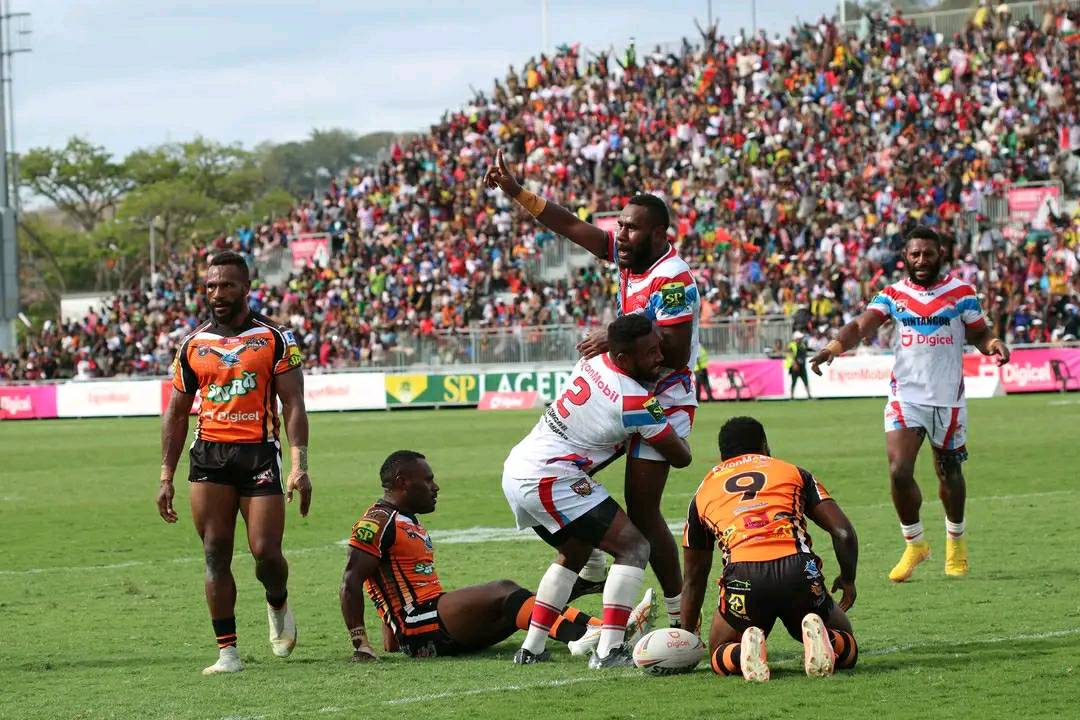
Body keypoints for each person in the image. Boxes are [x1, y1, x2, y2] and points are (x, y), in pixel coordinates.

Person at [486, 149, 699, 628]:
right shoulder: (628, 257)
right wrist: (517, 192)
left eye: (632, 228)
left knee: (644, 511)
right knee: (561, 463)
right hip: (623, 390)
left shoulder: (671, 280)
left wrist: (618, 333)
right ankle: (590, 558)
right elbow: (572, 227)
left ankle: (680, 618)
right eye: (620, 225)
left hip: (663, 398)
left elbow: (679, 353)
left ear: (660, 234)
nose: (621, 235)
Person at [810, 226, 1011, 582]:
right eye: (914, 254)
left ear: (940, 255)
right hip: (906, 396)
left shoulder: (961, 293)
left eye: (928, 254)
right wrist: (833, 348)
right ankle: (915, 543)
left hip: (948, 399)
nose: (921, 260)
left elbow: (978, 331)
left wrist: (992, 343)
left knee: (949, 472)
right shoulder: (892, 295)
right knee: (899, 470)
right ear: (905, 256)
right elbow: (860, 326)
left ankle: (956, 542)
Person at [501, 314, 693, 667]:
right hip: (551, 477)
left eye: (659, 348)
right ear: (622, 358)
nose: (659, 358)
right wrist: (671, 415)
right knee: (634, 546)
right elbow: (681, 456)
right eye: (650, 352)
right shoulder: (636, 401)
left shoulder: (591, 359)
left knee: (575, 550)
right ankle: (609, 651)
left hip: (519, 467)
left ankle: (531, 648)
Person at [339, 450, 654, 661]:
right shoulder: (378, 521)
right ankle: (589, 635)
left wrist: (391, 638)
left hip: (423, 624)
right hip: (420, 623)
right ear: (402, 483)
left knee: (522, 602)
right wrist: (361, 644)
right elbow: (352, 580)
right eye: (428, 479)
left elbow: (386, 583)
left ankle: (608, 627)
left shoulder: (406, 520)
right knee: (505, 590)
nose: (436, 486)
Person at [157, 251, 313, 675]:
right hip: (208, 454)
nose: (217, 293)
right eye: (210, 286)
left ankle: (277, 600)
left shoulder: (276, 338)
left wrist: (299, 465)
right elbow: (175, 413)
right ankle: (228, 653)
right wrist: (166, 476)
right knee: (214, 553)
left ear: (246, 288)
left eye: (226, 285)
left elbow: (294, 404)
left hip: (259, 452)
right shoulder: (193, 344)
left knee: (265, 554)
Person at [680, 417, 860, 682]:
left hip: (744, 576)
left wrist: (687, 636)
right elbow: (843, 533)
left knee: (720, 650)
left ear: (722, 456)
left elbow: (694, 578)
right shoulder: (793, 472)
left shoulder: (703, 492)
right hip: (798, 570)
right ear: (764, 445)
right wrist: (848, 579)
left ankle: (742, 652)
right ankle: (828, 640)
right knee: (847, 644)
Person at [786, 331, 812, 399]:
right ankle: (791, 396)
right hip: (795, 365)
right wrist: (794, 363)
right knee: (794, 381)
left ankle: (809, 395)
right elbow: (790, 355)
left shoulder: (802, 345)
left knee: (805, 380)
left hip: (802, 365)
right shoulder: (792, 345)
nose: (801, 339)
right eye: (799, 338)